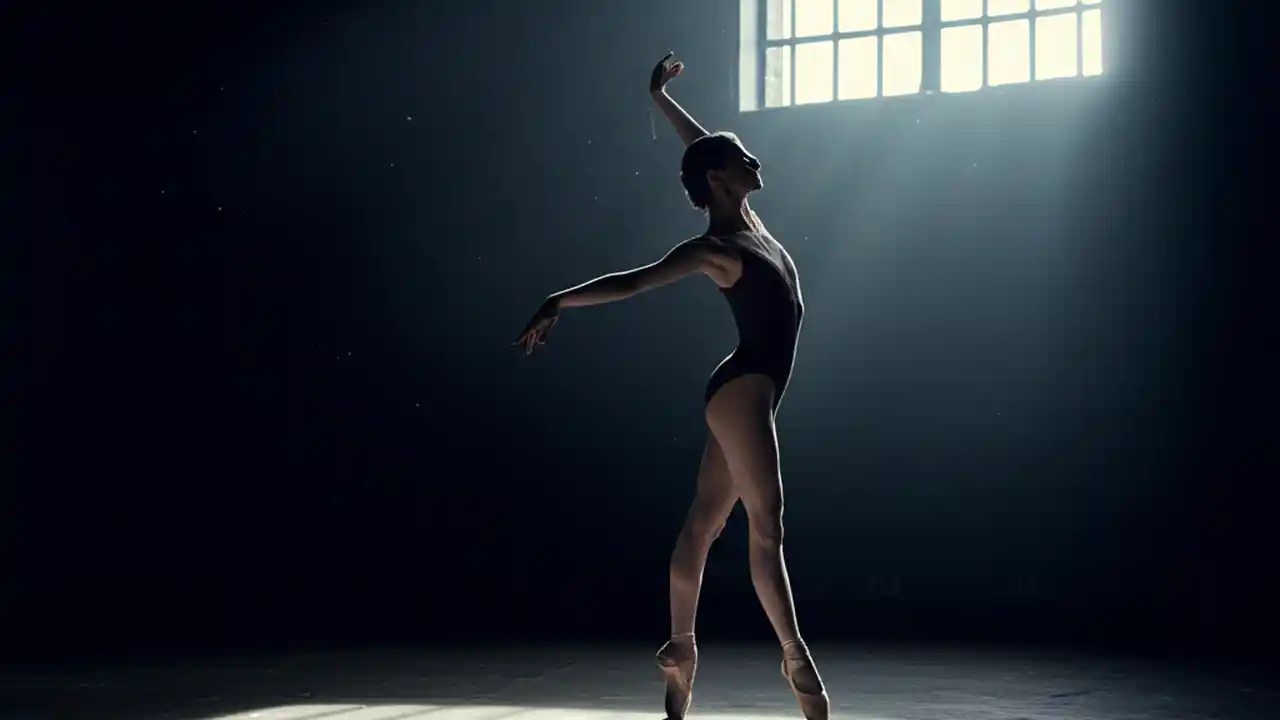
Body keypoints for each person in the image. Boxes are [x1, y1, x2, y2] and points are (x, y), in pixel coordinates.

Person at [513, 52, 828, 720]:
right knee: (765, 526)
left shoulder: (751, 225)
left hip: (745, 391)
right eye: (744, 159)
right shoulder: (716, 249)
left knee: (702, 527)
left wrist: (662, 101)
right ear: (721, 181)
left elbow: (702, 150)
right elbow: (632, 281)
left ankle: (680, 650)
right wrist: (558, 300)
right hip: (743, 390)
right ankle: (796, 657)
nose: (757, 162)